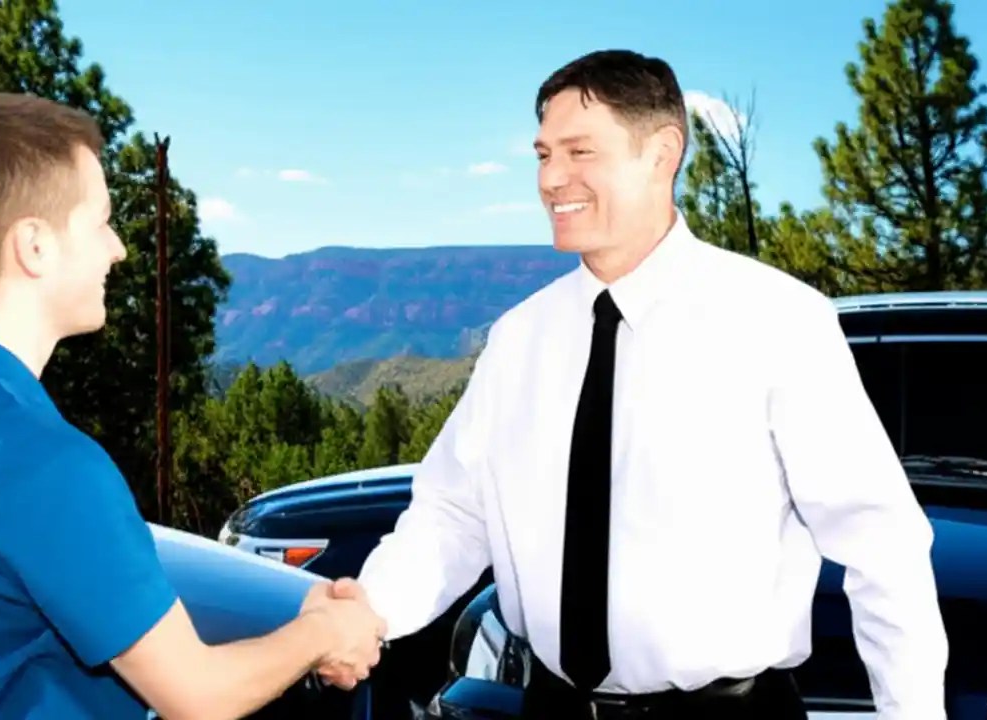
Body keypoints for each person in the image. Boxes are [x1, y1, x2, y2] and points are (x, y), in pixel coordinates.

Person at [332, 49, 949, 719]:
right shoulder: (519, 340)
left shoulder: (778, 321)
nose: (551, 179)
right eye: (543, 155)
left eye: (579, 151)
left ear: (662, 153)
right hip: (549, 708)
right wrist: (366, 616)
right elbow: (453, 515)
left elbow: (883, 548)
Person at [0, 91, 385, 720]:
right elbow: (199, 696)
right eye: (101, 221)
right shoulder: (44, 463)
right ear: (35, 247)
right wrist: (326, 634)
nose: (118, 249)